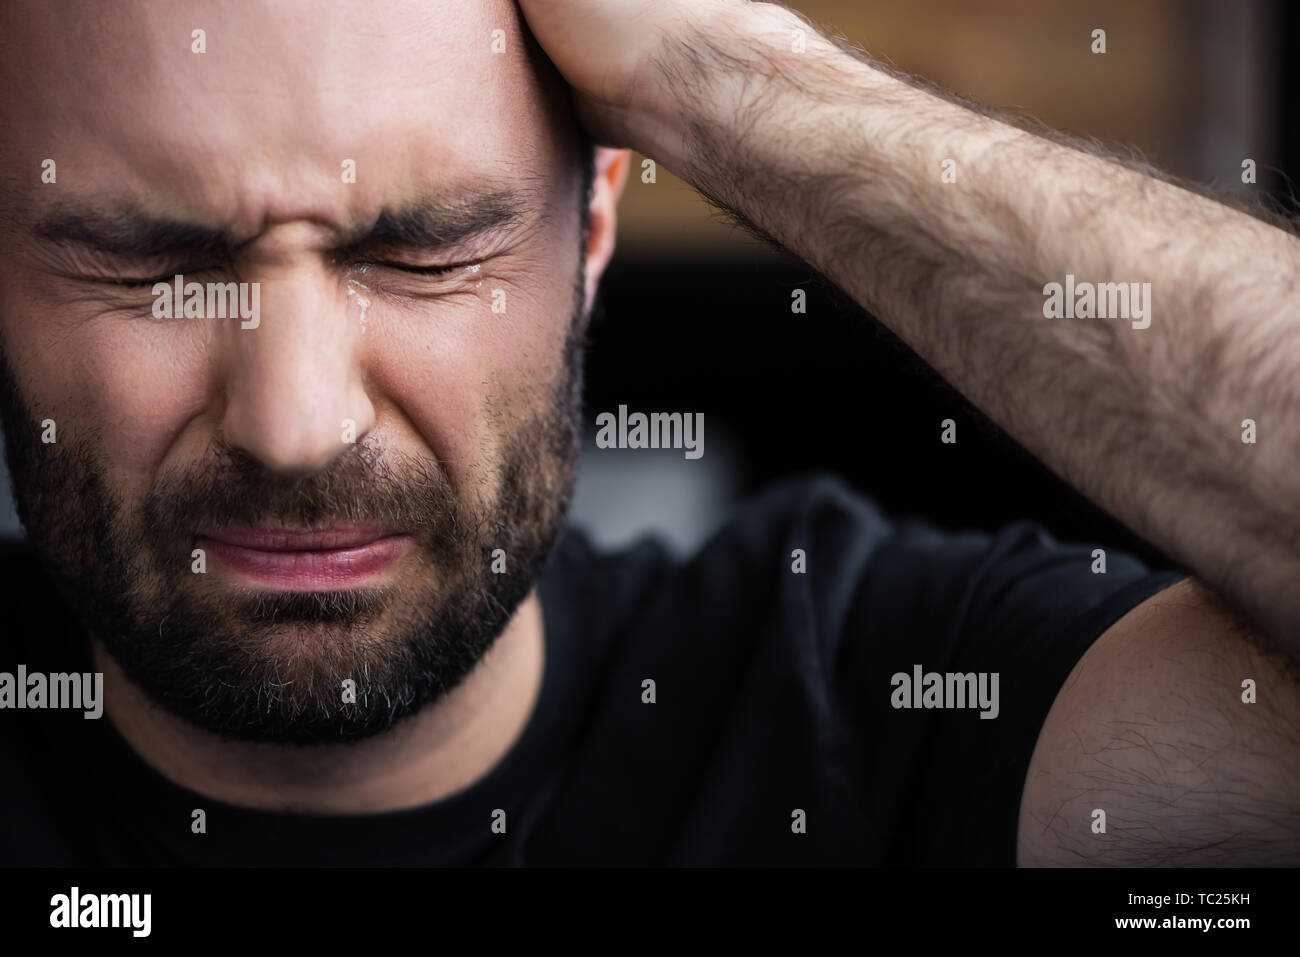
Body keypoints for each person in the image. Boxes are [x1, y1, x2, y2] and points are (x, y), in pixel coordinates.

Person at [0, 0, 1296, 867]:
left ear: (594, 229)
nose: (293, 427)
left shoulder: (869, 701)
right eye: (148, 263)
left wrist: (719, 83)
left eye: (427, 252)